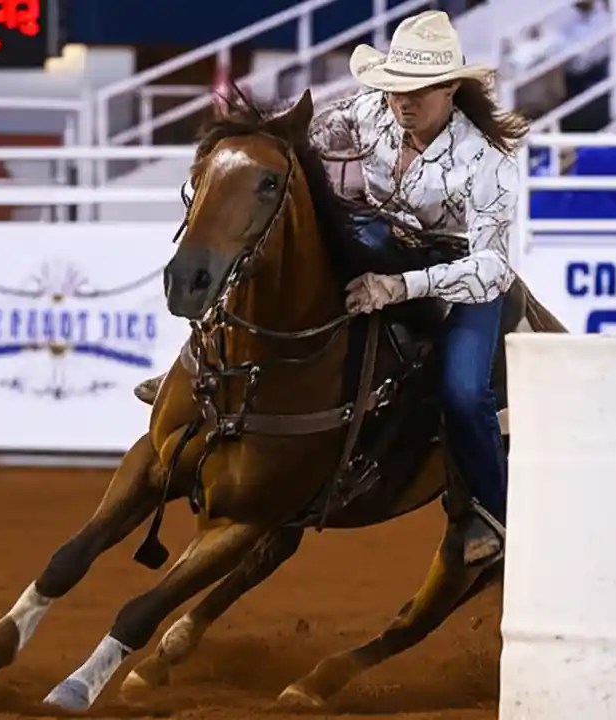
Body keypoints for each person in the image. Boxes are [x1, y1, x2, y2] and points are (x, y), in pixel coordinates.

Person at [136, 11, 524, 566]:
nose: (402, 101)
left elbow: (492, 266)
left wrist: (397, 286)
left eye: (416, 90)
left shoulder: (486, 160)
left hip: (456, 269)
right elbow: (290, 145)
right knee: (287, 259)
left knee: (465, 390)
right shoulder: (367, 112)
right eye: (395, 88)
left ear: (450, 89)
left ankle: (492, 511)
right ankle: (199, 374)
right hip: (381, 239)